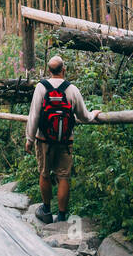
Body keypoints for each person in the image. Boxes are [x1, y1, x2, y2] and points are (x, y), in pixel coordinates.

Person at [24, 54, 100, 223]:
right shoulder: (72, 89)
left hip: (44, 140)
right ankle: (62, 215)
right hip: (65, 141)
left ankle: (46, 210)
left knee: (44, 174)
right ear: (64, 70)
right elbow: (84, 116)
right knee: (63, 176)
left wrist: (29, 139)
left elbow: (34, 115)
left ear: (49, 70)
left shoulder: (41, 87)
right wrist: (94, 114)